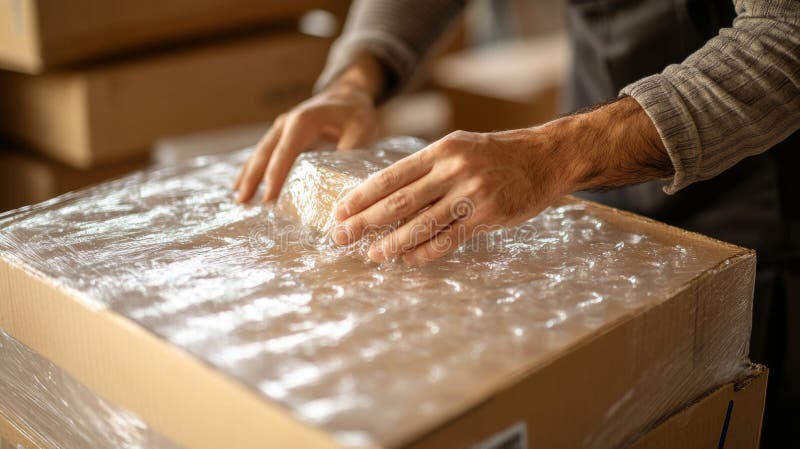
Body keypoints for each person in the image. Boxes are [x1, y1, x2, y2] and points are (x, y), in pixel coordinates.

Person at [234, 0, 799, 445]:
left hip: (753, 196)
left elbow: (786, 37)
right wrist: (355, 79)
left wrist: (549, 157)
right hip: (594, 175)